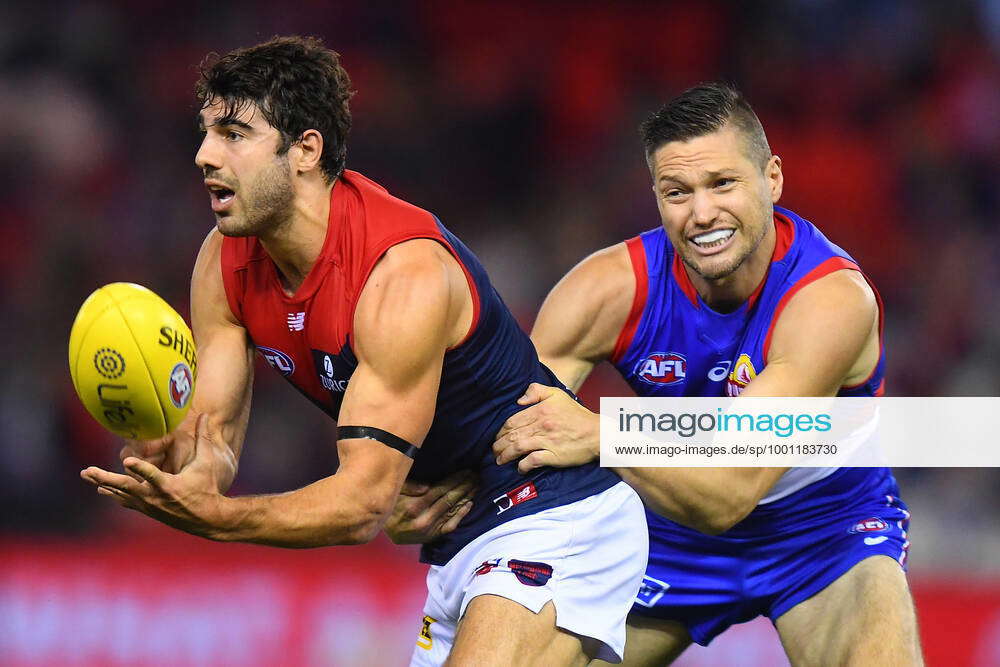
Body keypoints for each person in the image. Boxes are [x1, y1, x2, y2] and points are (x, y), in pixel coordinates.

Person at [79, 36, 648, 666]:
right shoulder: (223, 259)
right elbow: (214, 437)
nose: (204, 155)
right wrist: (181, 463)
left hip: (556, 513)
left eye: (234, 134)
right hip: (458, 541)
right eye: (206, 132)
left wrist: (218, 518)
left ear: (305, 149)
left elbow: (362, 507)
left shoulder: (399, 273)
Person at [392, 83, 923, 665]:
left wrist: (604, 434)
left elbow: (729, 493)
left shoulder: (829, 301)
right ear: (656, 197)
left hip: (825, 528)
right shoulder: (605, 291)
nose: (702, 213)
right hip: (661, 529)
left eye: (723, 183)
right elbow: (511, 431)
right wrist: (422, 493)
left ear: (772, 179)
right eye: (678, 192)